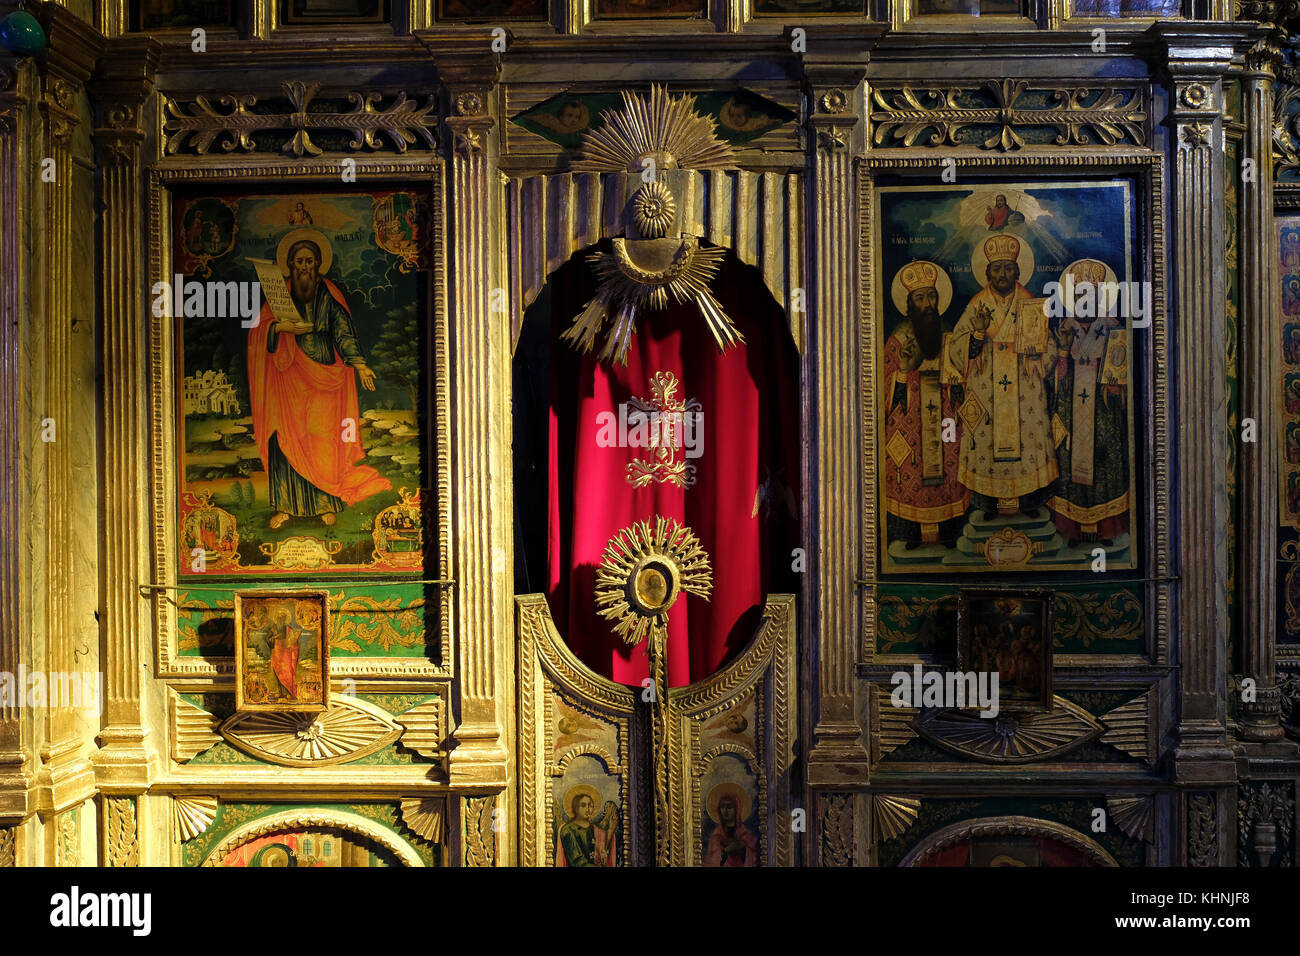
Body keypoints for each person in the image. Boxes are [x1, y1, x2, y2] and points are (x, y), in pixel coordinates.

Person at [247, 232, 391, 530]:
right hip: (286, 379)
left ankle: (326, 503)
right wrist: (279, 327)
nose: (304, 266)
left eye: (309, 261)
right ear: (290, 264)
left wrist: (360, 365)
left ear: (318, 264)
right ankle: (286, 507)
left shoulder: (329, 294)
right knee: (284, 442)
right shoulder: (278, 293)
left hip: (324, 376)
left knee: (323, 442)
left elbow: (344, 332)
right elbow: (258, 331)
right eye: (299, 261)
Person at [945, 233, 1058, 519]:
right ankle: (989, 503)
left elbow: (1051, 347)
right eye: (997, 268)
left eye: (1008, 267)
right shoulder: (977, 304)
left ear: (1017, 271)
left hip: (1024, 391)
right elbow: (957, 348)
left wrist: (1037, 353)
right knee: (984, 440)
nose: (1003, 274)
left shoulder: (1031, 303)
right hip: (986, 391)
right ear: (988, 272)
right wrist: (978, 333)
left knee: (1028, 437)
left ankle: (1028, 501)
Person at [882, 260, 970, 549]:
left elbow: (961, 377)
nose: (928, 303)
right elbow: (885, 392)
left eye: (931, 296)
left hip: (944, 422)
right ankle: (910, 535)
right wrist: (904, 370)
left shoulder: (948, 333)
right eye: (920, 298)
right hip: (909, 428)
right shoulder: (897, 340)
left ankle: (948, 533)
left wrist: (957, 384)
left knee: (949, 466)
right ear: (908, 304)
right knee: (908, 472)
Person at [1049, 259, 1129, 546]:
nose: (1085, 300)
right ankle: (1075, 529)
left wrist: (1116, 387)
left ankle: (1103, 529)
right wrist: (1061, 349)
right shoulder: (1064, 328)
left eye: (1091, 295)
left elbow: (1120, 369)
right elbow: (1056, 380)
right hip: (1071, 412)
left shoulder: (1112, 328)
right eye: (1079, 295)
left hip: (1102, 413)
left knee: (1104, 461)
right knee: (1071, 465)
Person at [555, 787, 616, 867]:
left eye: (590, 805)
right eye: (583, 805)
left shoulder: (597, 830)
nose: (588, 809)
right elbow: (577, 861)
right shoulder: (568, 830)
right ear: (576, 808)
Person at [705, 793, 758, 867]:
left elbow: (752, 857)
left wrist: (741, 848)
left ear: (737, 809)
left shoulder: (745, 834)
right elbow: (712, 860)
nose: (725, 810)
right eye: (722, 807)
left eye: (729, 807)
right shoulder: (716, 835)